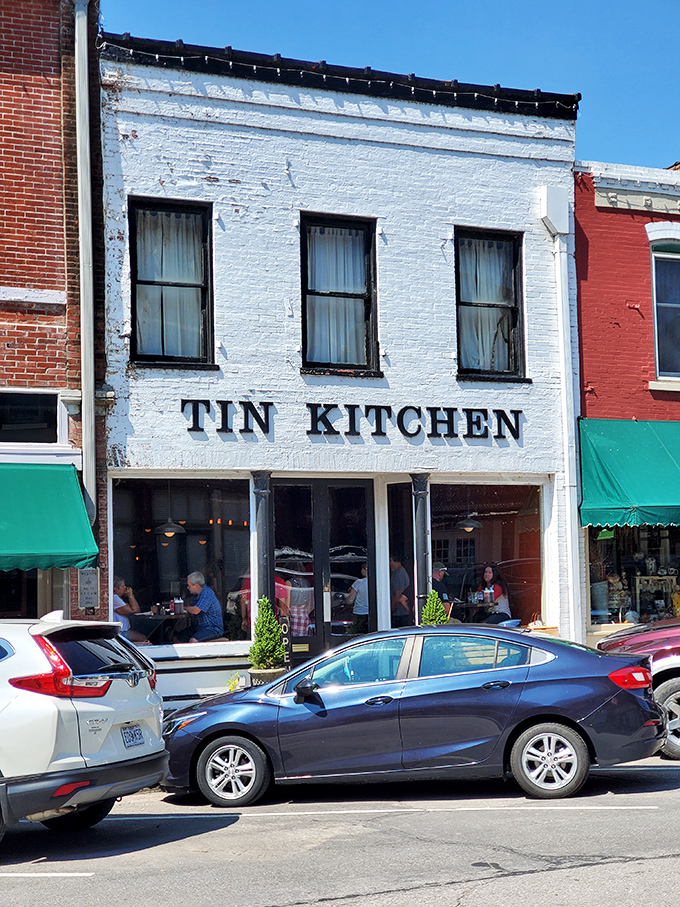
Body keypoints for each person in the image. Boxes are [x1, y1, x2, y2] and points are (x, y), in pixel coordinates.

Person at [174, 572, 224, 643]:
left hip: (212, 628)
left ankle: (193, 654)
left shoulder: (207, 593)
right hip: (198, 627)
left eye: (189, 586)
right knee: (177, 638)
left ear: (196, 585)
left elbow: (196, 610)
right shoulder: (195, 596)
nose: (188, 588)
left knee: (193, 641)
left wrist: (182, 607)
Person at [112, 576, 148, 644]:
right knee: (142, 638)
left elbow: (137, 610)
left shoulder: (118, 598)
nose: (125, 588)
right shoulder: (114, 598)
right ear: (116, 589)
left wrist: (131, 596)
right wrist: (130, 595)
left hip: (124, 630)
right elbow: (133, 611)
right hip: (120, 632)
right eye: (122, 586)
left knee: (142, 638)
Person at [345, 562, 369, 634]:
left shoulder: (359, 582)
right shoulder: (377, 582)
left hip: (359, 614)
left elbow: (350, 600)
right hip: (372, 614)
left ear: (364, 570)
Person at [390, 553, 412, 627]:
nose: (389, 564)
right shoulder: (400, 572)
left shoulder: (399, 574)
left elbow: (398, 595)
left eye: (390, 561)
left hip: (399, 614)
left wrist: (390, 610)